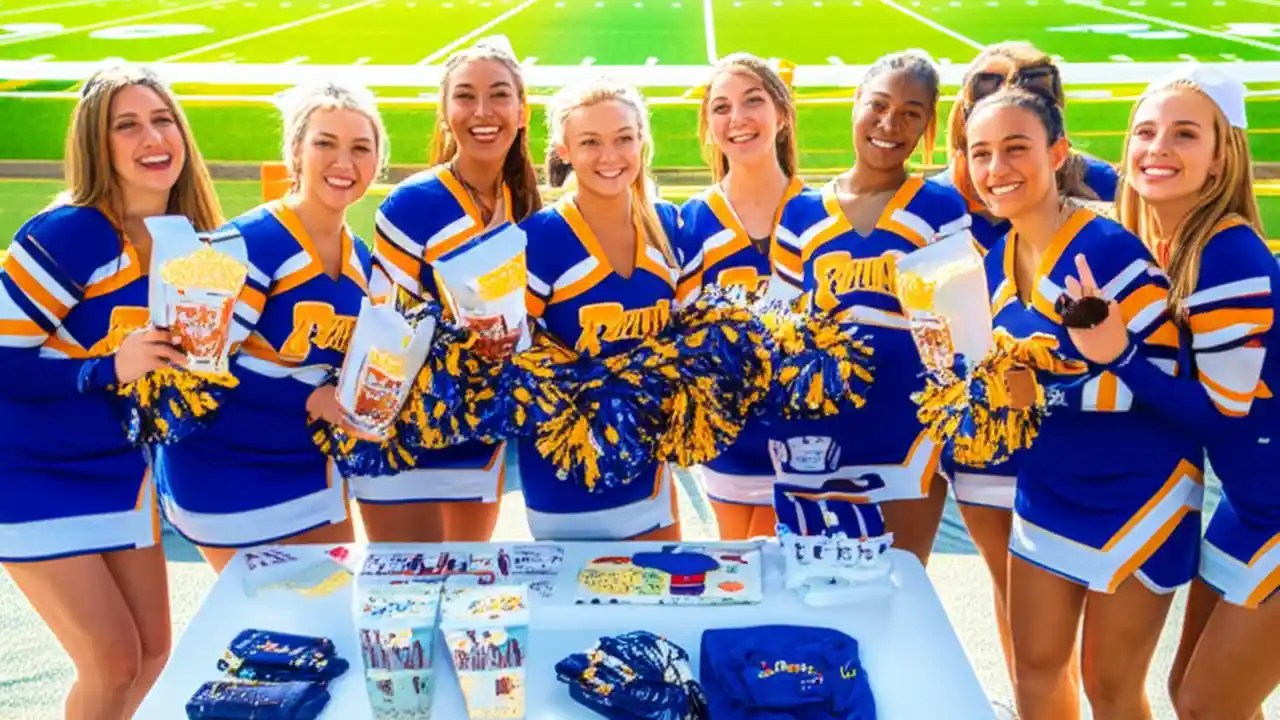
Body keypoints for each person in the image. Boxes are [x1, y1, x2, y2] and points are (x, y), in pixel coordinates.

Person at [967, 85, 1200, 720]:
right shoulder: (992, 262)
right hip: (1048, 487)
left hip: (1139, 494)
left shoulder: (1110, 250)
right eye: (980, 152)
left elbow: (1172, 381)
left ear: (1058, 151)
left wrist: (1042, 390)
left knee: (1111, 688)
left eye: (1016, 148)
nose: (997, 169)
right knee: (1036, 672)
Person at [0, 63, 222, 718]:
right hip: (32, 472)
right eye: (127, 125)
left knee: (153, 652)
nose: (152, 138)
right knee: (111, 661)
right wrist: (102, 369)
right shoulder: (70, 233)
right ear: (98, 145)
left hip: (120, 468)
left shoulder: (183, 241)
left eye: (162, 120)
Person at [1084, 65, 1277, 720]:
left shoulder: (1229, 257)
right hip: (1252, 501)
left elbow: (1222, 412)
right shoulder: (1177, 244)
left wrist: (1122, 357)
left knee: (1206, 704)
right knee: (1195, 697)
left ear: (1224, 155)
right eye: (1145, 131)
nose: (1157, 148)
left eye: (1185, 134)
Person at [934, 40, 1120, 682]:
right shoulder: (939, 198)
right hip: (993, 428)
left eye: (1030, 81)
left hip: (1081, 430)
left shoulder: (1099, 186)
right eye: (990, 82)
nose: (1010, 89)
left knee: (1102, 639)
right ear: (964, 105)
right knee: (1017, 596)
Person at [156, 81, 387, 572]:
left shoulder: (361, 260)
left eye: (360, 148)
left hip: (307, 469)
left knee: (331, 619)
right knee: (266, 632)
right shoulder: (244, 243)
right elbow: (192, 372)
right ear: (295, 153)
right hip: (226, 471)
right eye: (325, 143)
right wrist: (308, 399)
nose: (343, 162)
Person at [773, 51, 969, 564]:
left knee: (903, 584)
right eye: (878, 105)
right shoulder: (800, 213)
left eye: (911, 112)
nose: (890, 124)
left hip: (911, 433)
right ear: (855, 106)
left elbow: (962, 332)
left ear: (929, 125)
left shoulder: (942, 210)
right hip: (819, 436)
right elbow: (780, 331)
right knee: (819, 583)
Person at [360, 37, 541, 542]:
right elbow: (384, 332)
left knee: (466, 599)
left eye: (499, 95)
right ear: (444, 113)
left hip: (481, 439)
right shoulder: (412, 204)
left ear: (523, 111)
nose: (483, 112)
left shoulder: (525, 204)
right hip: (405, 441)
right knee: (404, 605)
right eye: (465, 96)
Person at [519, 76, 683, 541]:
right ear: (564, 149)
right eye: (590, 142)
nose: (609, 157)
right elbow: (511, 365)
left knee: (664, 607)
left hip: (652, 478)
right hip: (565, 479)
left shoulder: (669, 227)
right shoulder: (538, 240)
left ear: (642, 142)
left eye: (623, 139)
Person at [675, 52, 804, 540]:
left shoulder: (822, 211)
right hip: (728, 437)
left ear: (782, 114)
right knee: (739, 576)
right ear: (708, 126)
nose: (738, 119)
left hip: (809, 437)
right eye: (721, 107)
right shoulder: (689, 221)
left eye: (753, 101)